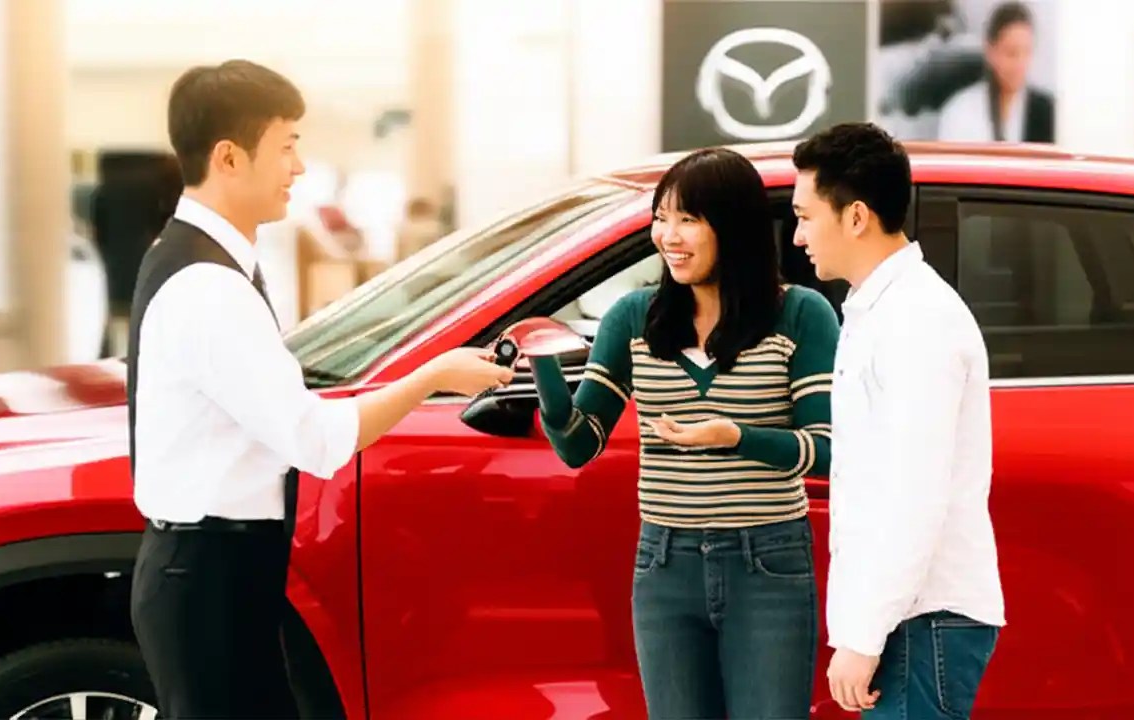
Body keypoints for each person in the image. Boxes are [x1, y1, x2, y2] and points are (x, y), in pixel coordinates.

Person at [126, 60, 512, 720]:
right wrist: (433, 377)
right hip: (209, 577)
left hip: (211, 573)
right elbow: (315, 439)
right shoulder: (209, 287)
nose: (299, 168)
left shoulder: (196, 261)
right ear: (229, 157)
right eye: (286, 145)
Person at [526, 147, 840, 719]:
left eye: (688, 219)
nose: (668, 235)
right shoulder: (634, 318)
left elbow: (827, 451)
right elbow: (577, 444)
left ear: (734, 226)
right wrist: (543, 364)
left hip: (767, 562)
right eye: (661, 217)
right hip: (664, 564)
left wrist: (735, 437)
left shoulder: (801, 315)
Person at [789, 122, 1005, 718]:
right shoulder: (880, 309)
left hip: (921, 617)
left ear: (855, 216)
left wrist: (863, 634)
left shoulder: (916, 320)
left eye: (806, 216)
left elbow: (914, 494)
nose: (799, 235)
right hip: (907, 616)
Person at [937, 1, 1055, 143]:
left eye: (1027, 52)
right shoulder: (960, 111)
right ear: (990, 51)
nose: (1020, 64)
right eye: (1012, 53)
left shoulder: (1046, 112)